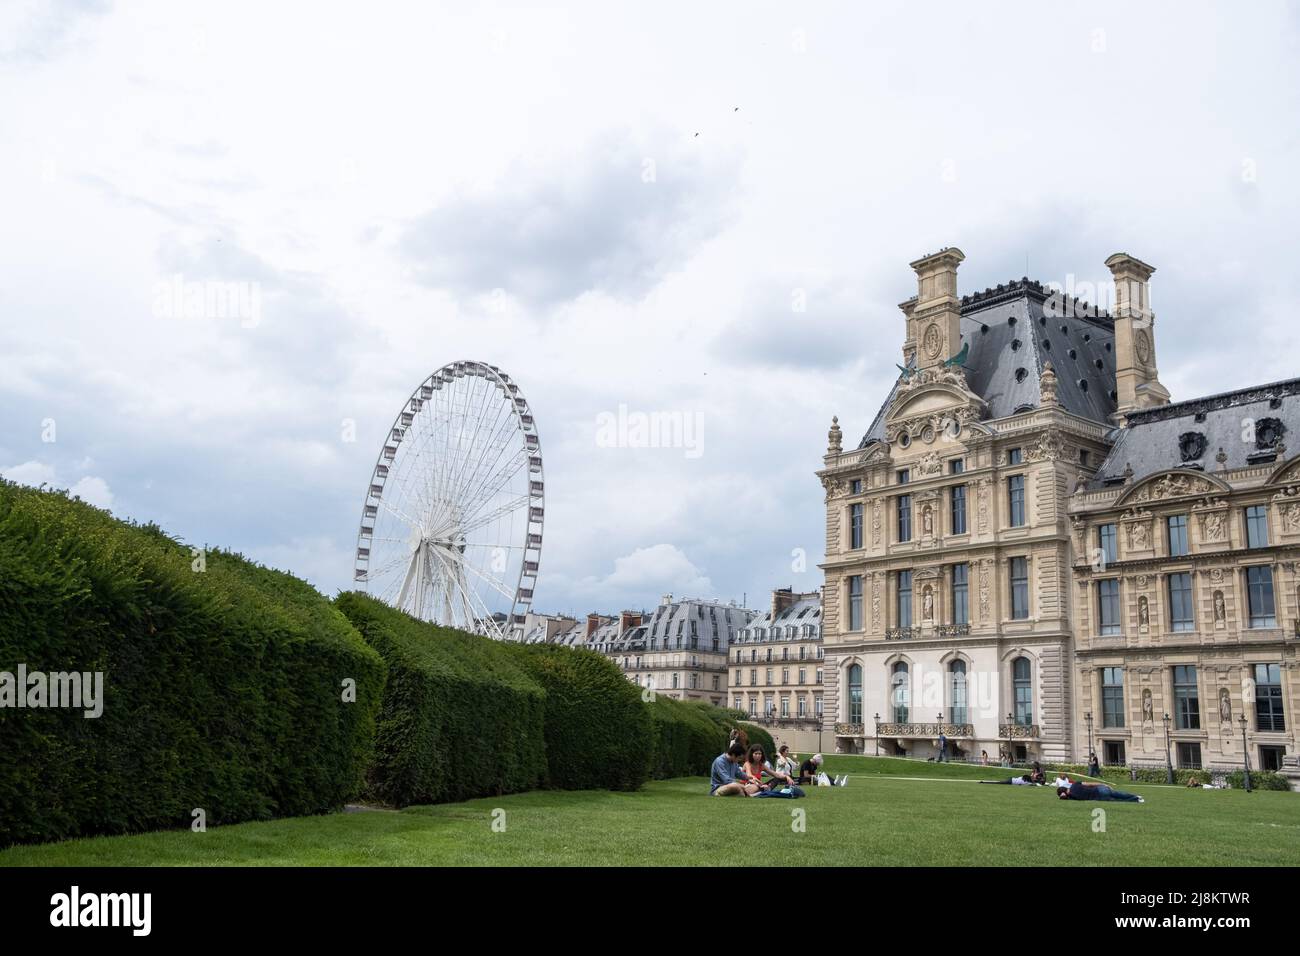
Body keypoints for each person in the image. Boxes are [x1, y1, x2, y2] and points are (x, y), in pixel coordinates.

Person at [1057, 780, 1144, 803]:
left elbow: (1065, 797)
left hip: (1099, 797)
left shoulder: (1072, 797)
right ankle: (1136, 796)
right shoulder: (1075, 784)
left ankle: (1136, 800)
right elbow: (1090, 784)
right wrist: (1103, 784)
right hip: (1099, 789)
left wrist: (1064, 796)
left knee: (1118, 800)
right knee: (1118, 794)